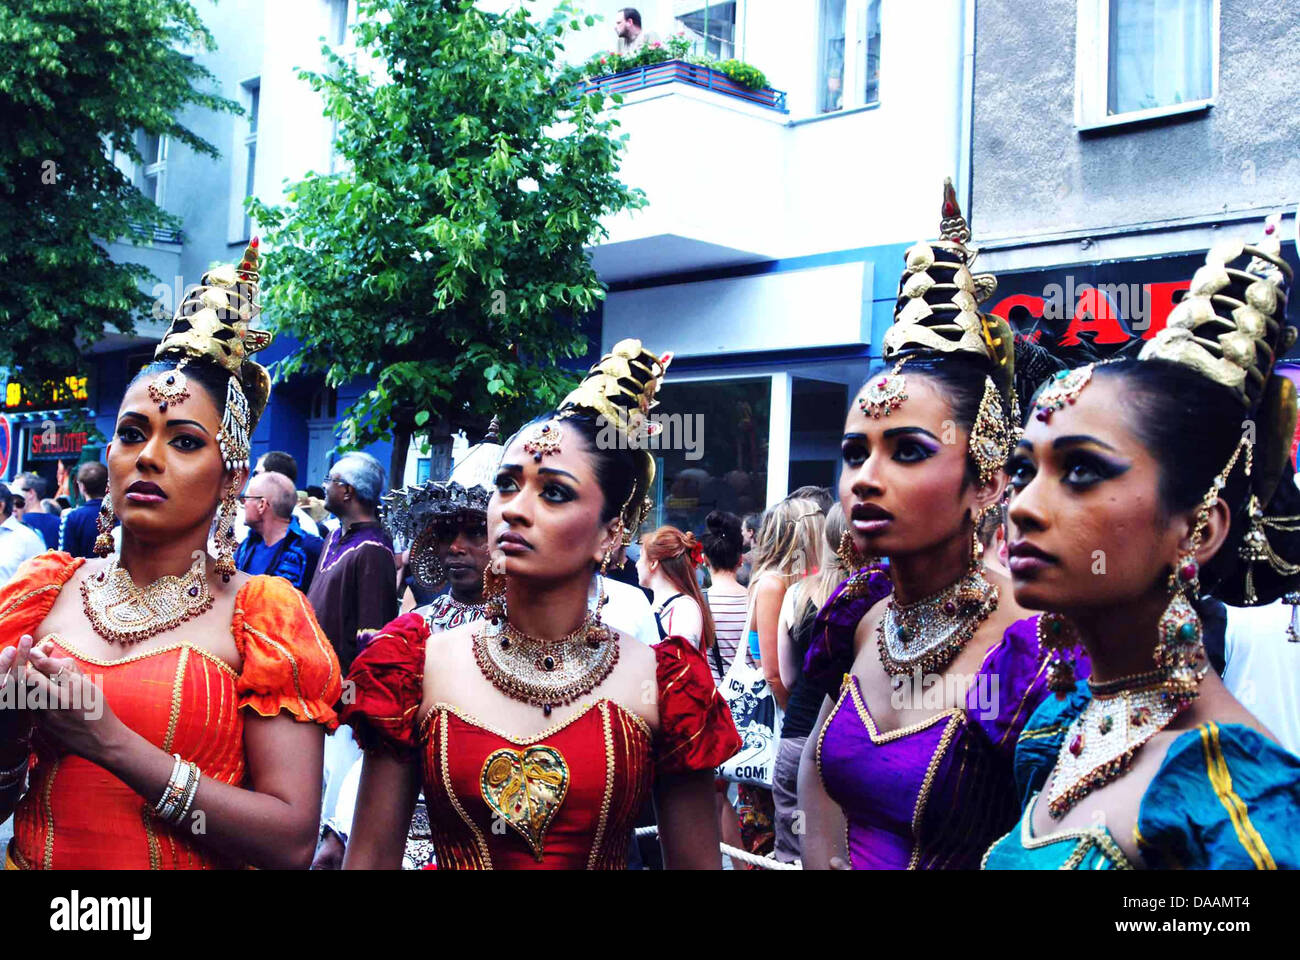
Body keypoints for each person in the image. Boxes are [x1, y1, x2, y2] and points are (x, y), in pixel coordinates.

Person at [0, 240, 341, 869]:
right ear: (109, 458)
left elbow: (292, 842)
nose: (149, 457)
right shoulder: (43, 590)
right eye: (132, 434)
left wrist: (111, 744)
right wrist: (8, 735)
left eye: (184, 441)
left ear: (231, 479)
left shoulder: (263, 618)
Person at [339, 339, 741, 869]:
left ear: (610, 533)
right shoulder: (414, 664)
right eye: (506, 486)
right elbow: (367, 860)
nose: (515, 510)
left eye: (554, 493)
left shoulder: (665, 684)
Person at [984, 219, 1300, 869]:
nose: (1021, 506)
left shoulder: (1236, 803)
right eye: (1022, 471)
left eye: (1080, 471)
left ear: (1198, 529)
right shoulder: (1060, 726)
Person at [798, 180, 1058, 870]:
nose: (865, 480)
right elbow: (819, 774)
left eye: (907, 451)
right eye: (855, 453)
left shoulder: (1040, 643)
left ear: (990, 480)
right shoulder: (857, 613)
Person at [772, 503, 850, 863]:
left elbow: (786, 677)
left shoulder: (797, 595)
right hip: (853, 742)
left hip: (798, 732)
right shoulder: (878, 599)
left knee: (789, 852)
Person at [235, 469, 324, 591]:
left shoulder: (311, 550)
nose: (243, 504)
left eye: (246, 499)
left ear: (262, 504)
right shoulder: (246, 546)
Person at [638, 526, 715, 650]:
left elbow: (684, 664)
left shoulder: (684, 609)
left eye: (640, 556)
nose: (637, 564)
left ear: (653, 563)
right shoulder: (668, 605)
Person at [254, 451, 323, 538]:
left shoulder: (305, 526)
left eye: (256, 474)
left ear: (273, 478)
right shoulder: (249, 519)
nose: (252, 479)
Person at [58, 461, 111, 558]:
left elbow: (66, 558)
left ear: (82, 486)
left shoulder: (72, 517)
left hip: (84, 572)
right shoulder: (121, 514)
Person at [0, 483, 45, 585]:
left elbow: (41, 582)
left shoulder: (27, 538)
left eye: (19, 504)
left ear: (1, 506)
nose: (16, 508)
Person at [12, 474, 59, 550]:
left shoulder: (18, 523)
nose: (12, 496)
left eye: (16, 491)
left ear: (31, 493)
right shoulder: (59, 522)